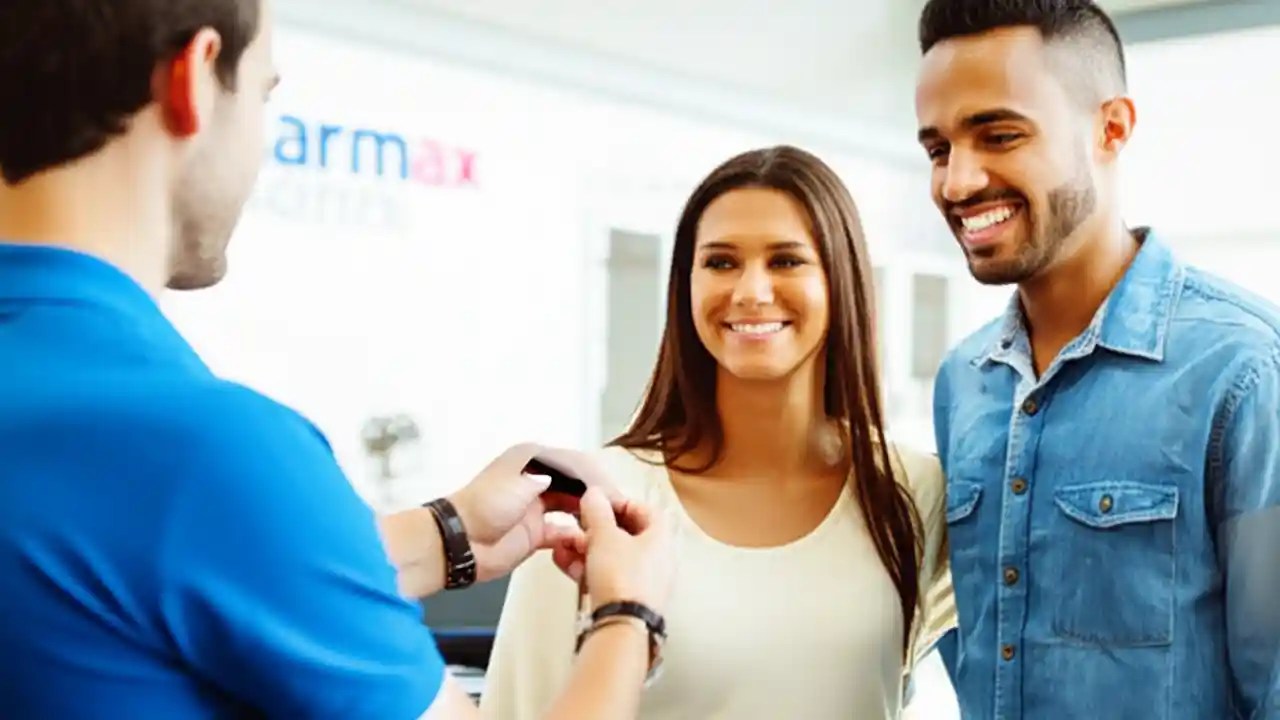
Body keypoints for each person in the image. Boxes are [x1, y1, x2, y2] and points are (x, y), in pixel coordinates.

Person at [0, 1, 676, 718]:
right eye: (263, 95)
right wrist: (627, 616)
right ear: (193, 80)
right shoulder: (205, 451)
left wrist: (450, 532)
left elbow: (150, 569)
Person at [479, 145, 956, 719]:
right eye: (721, 262)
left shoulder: (910, 491)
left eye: (785, 261)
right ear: (686, 284)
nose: (751, 291)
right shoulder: (592, 504)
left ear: (840, 280)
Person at [915, 1, 1280, 718]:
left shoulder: (1244, 374)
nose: (958, 182)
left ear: (1111, 128)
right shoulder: (965, 383)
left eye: (998, 134)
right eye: (937, 149)